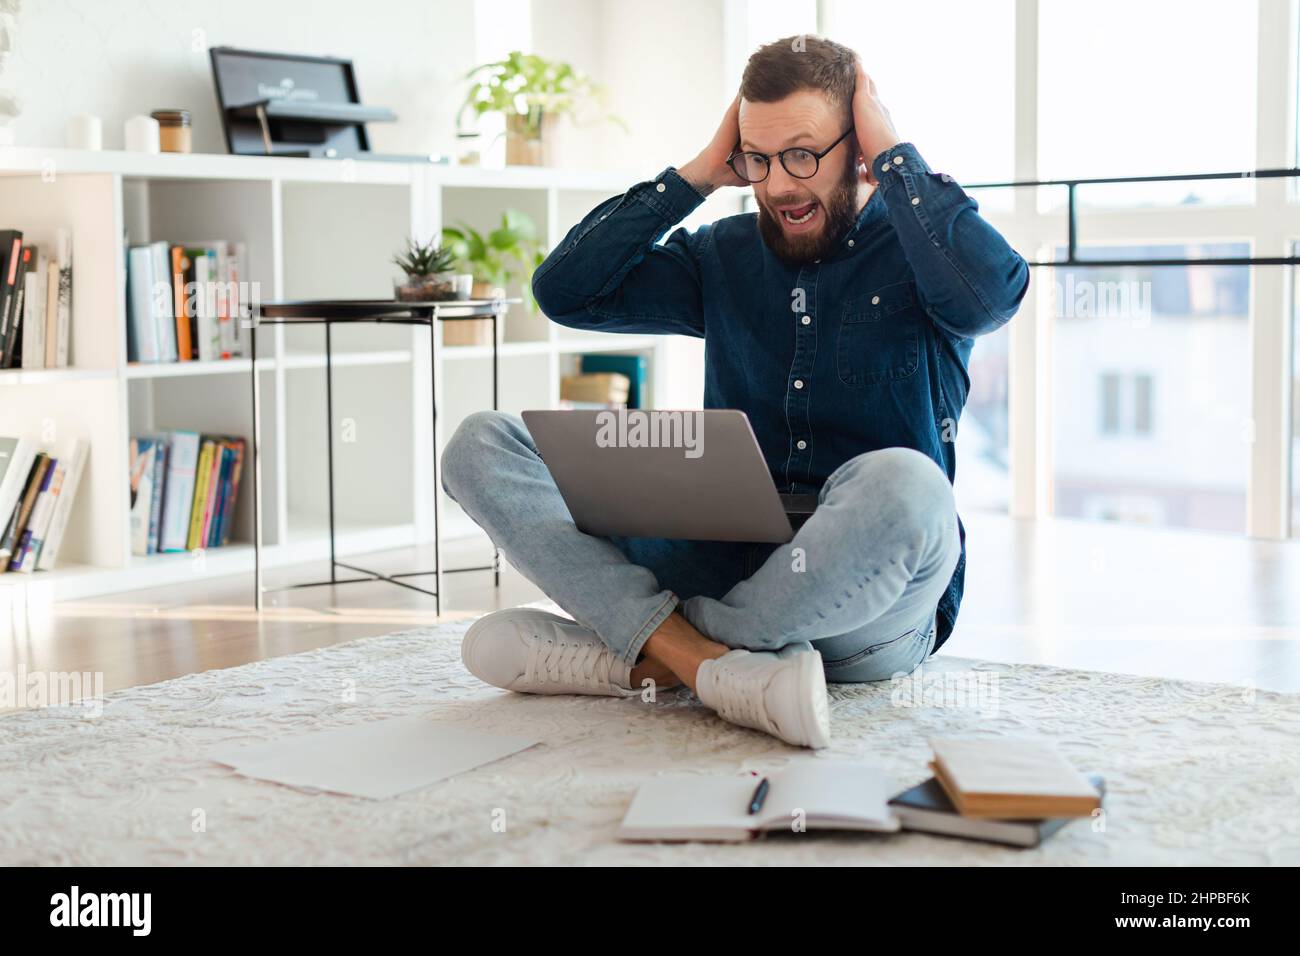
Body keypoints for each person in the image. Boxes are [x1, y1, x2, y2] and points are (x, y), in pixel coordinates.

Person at [441, 35, 1029, 748]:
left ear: (858, 143)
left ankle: (657, 652)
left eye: (805, 154)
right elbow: (566, 292)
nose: (780, 184)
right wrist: (694, 178)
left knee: (910, 486)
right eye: (759, 159)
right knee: (481, 443)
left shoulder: (923, 252)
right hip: (719, 558)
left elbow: (993, 295)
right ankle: (708, 665)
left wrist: (897, 157)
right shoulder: (720, 254)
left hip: (857, 608)